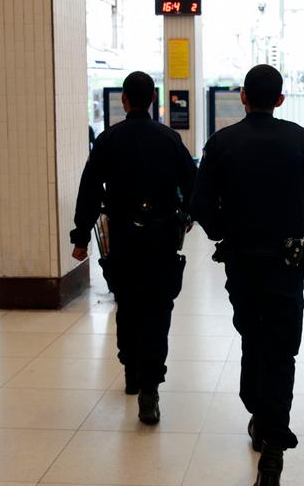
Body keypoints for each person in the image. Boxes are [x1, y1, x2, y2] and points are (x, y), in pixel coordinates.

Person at [192, 65, 304, 486]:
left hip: (241, 264)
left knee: (252, 336)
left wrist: (223, 229)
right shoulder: (299, 139)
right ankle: (272, 442)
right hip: (286, 265)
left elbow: (200, 204)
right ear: (281, 100)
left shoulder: (221, 143)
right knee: (280, 351)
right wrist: (300, 183)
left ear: (243, 96)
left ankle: (261, 417)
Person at [70, 71, 197, 425]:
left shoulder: (109, 140)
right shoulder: (170, 139)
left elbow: (90, 190)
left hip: (123, 239)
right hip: (161, 240)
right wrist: (188, 215)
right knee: (158, 309)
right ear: (153, 99)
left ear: (124, 100)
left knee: (127, 304)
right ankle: (150, 391)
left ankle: (130, 369)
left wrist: (81, 237)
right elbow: (193, 185)